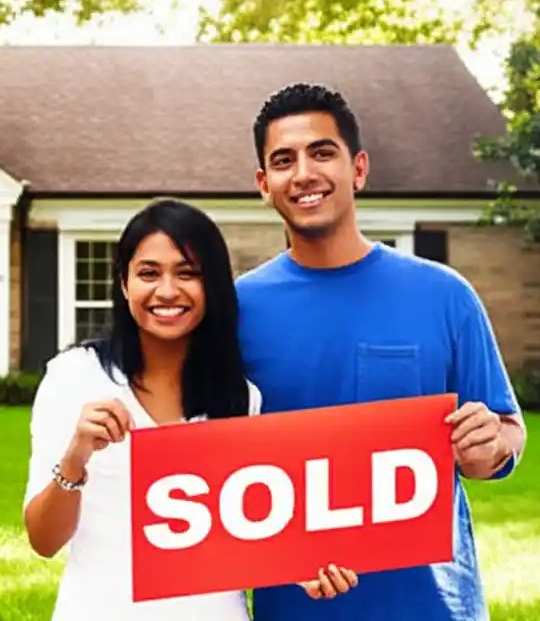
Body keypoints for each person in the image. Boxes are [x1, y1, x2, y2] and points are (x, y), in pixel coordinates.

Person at [235, 83, 527, 620]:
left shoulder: (444, 294)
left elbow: (506, 428)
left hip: (433, 605)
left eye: (323, 153)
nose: (303, 174)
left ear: (359, 168)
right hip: (295, 607)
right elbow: (209, 457)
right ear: (264, 184)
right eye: (283, 160)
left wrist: (492, 446)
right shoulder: (235, 311)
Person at [23, 198, 358, 620]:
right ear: (124, 284)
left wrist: (299, 567)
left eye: (187, 273)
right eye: (148, 273)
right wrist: (75, 459)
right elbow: (43, 539)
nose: (167, 291)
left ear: (212, 287)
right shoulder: (74, 377)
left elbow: (243, 531)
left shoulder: (240, 398)